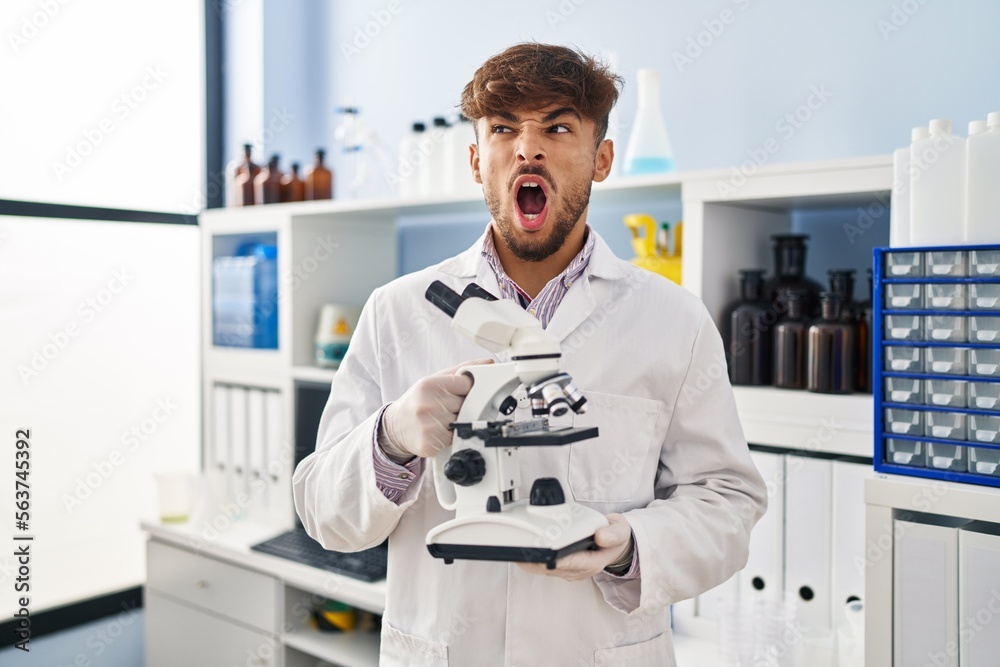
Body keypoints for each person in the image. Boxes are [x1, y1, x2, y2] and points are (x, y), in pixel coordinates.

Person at [293, 42, 767, 667]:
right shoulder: (397, 311)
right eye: (503, 128)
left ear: (602, 160)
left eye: (558, 126)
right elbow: (326, 514)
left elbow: (726, 501)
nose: (527, 148)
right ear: (475, 159)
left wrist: (628, 546)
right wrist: (392, 438)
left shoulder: (673, 321)